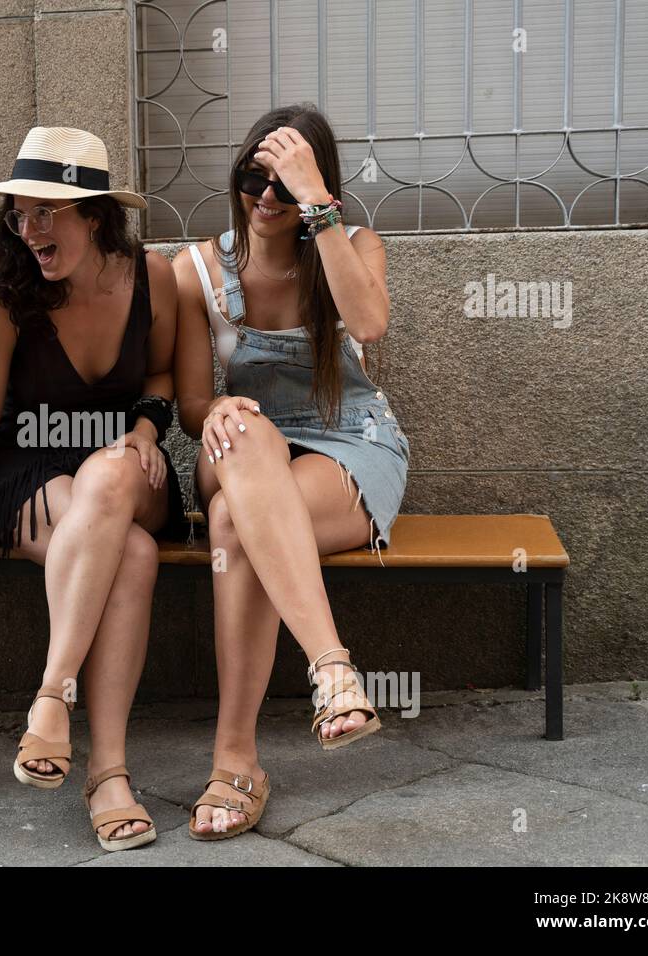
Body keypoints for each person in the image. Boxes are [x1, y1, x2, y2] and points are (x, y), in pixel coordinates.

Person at [0, 127, 185, 851]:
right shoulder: (8, 289)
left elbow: (164, 376)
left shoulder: (155, 278)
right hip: (30, 469)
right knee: (132, 558)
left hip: (130, 468)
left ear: (96, 215)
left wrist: (146, 429)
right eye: (19, 214)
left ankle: (52, 696)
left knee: (110, 477)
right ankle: (109, 775)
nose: (29, 230)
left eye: (46, 212)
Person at [172, 104, 411, 841]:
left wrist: (321, 210)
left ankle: (235, 765)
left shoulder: (354, 243)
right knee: (242, 433)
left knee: (233, 529)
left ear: (316, 188)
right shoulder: (197, 270)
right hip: (241, 443)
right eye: (255, 178)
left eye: (285, 183)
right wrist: (213, 409)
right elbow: (189, 402)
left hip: (350, 443)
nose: (266, 198)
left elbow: (368, 324)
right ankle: (332, 667)